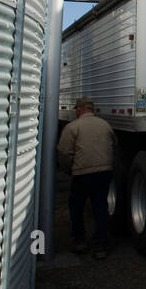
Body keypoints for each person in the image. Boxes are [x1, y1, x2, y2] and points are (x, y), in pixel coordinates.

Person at [57, 97, 116, 259]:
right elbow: (114, 146)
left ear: (79, 110)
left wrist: (68, 170)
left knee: (76, 206)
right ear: (93, 109)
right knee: (100, 207)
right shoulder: (105, 125)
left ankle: (79, 240)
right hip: (104, 172)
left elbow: (64, 153)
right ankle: (100, 245)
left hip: (82, 174)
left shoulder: (72, 127)